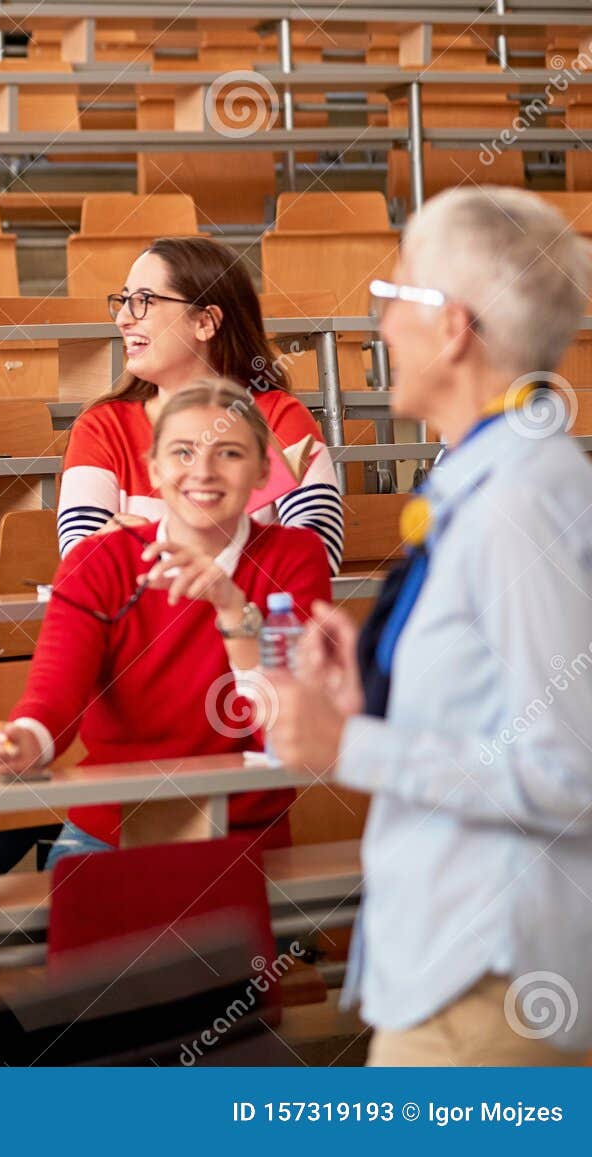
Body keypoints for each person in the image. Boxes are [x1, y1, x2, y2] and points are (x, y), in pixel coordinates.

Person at [268, 188, 592, 1066]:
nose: (379, 324)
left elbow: (570, 771)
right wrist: (371, 697)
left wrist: (352, 746)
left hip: (489, 986)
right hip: (456, 970)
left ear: (452, 328)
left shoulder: (521, 499)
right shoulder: (486, 476)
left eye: (395, 296)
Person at [0, 379, 332, 864]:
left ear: (264, 470)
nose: (203, 472)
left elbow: (289, 739)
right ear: (154, 469)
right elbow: (53, 703)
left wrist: (233, 611)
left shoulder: (295, 556)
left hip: (242, 835)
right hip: (112, 830)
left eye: (229, 453)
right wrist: (20, 744)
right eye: (182, 453)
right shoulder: (98, 561)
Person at [58, 236, 343, 572]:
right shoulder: (102, 427)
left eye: (143, 301)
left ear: (205, 322)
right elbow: (80, 565)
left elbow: (319, 555)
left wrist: (175, 556)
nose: (122, 318)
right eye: (123, 301)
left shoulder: (278, 416)